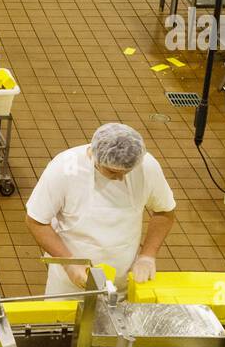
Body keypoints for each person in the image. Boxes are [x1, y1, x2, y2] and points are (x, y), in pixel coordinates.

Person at [25, 123, 176, 297]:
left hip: (123, 280)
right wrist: (69, 263)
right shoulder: (64, 169)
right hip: (71, 284)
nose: (120, 178)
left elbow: (164, 211)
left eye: (127, 172)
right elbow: (36, 221)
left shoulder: (146, 166)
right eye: (113, 172)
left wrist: (147, 256)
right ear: (94, 156)